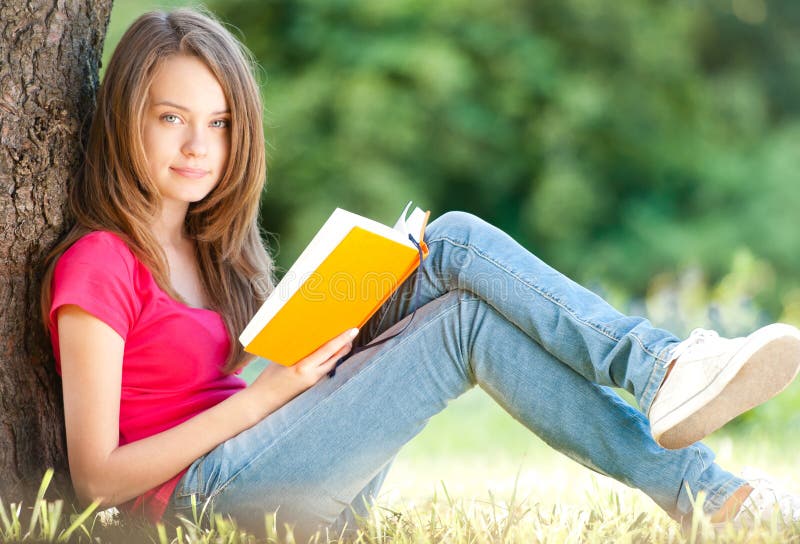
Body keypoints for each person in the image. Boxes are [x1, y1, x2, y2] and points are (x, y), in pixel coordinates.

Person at [40, 7, 800, 540]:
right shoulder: (100, 263)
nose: (198, 144)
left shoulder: (211, 250)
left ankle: (696, 451)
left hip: (268, 463)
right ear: (124, 118)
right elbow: (98, 478)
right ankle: (665, 376)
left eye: (220, 122)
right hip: (206, 505)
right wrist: (266, 395)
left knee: (454, 244)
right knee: (463, 320)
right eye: (170, 117)